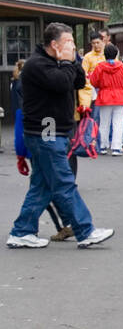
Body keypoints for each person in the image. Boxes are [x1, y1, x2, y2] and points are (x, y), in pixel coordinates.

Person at [7, 22, 113, 249]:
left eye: (73, 42)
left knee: (42, 185)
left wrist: (71, 61)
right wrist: (66, 61)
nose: (73, 46)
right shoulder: (37, 65)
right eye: (68, 42)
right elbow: (61, 83)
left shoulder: (57, 62)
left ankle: (22, 231)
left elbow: (77, 81)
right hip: (45, 132)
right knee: (64, 182)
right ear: (54, 45)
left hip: (55, 131)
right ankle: (86, 231)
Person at [10, 61, 75, 241]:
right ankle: (66, 223)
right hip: (51, 141)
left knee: (42, 189)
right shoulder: (47, 89)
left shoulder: (21, 92)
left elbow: (19, 130)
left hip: (35, 145)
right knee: (47, 188)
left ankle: (29, 227)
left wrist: (20, 155)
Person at [89, 43, 123, 156]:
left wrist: (101, 86)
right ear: (116, 54)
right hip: (120, 96)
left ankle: (103, 146)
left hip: (105, 96)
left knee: (104, 122)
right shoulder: (122, 66)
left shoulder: (100, 67)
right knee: (118, 123)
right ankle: (116, 148)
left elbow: (93, 81)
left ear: (104, 54)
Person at [81, 30, 106, 124]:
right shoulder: (87, 57)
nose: (96, 45)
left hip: (106, 88)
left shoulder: (107, 54)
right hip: (94, 90)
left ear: (103, 41)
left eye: (98, 42)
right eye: (93, 43)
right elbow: (84, 74)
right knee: (95, 116)